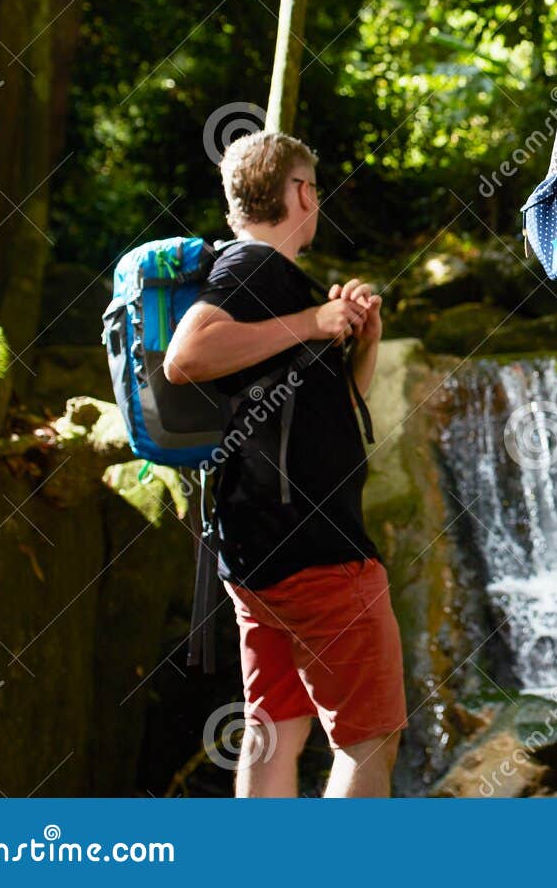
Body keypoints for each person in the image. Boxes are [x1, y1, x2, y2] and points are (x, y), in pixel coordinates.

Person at [164, 131, 406, 797]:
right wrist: (313, 321)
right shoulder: (254, 269)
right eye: (315, 187)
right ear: (300, 192)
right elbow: (185, 358)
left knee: (276, 726)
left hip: (259, 554)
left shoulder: (274, 284)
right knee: (369, 739)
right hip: (319, 554)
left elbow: (333, 410)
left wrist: (357, 336)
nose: (317, 199)